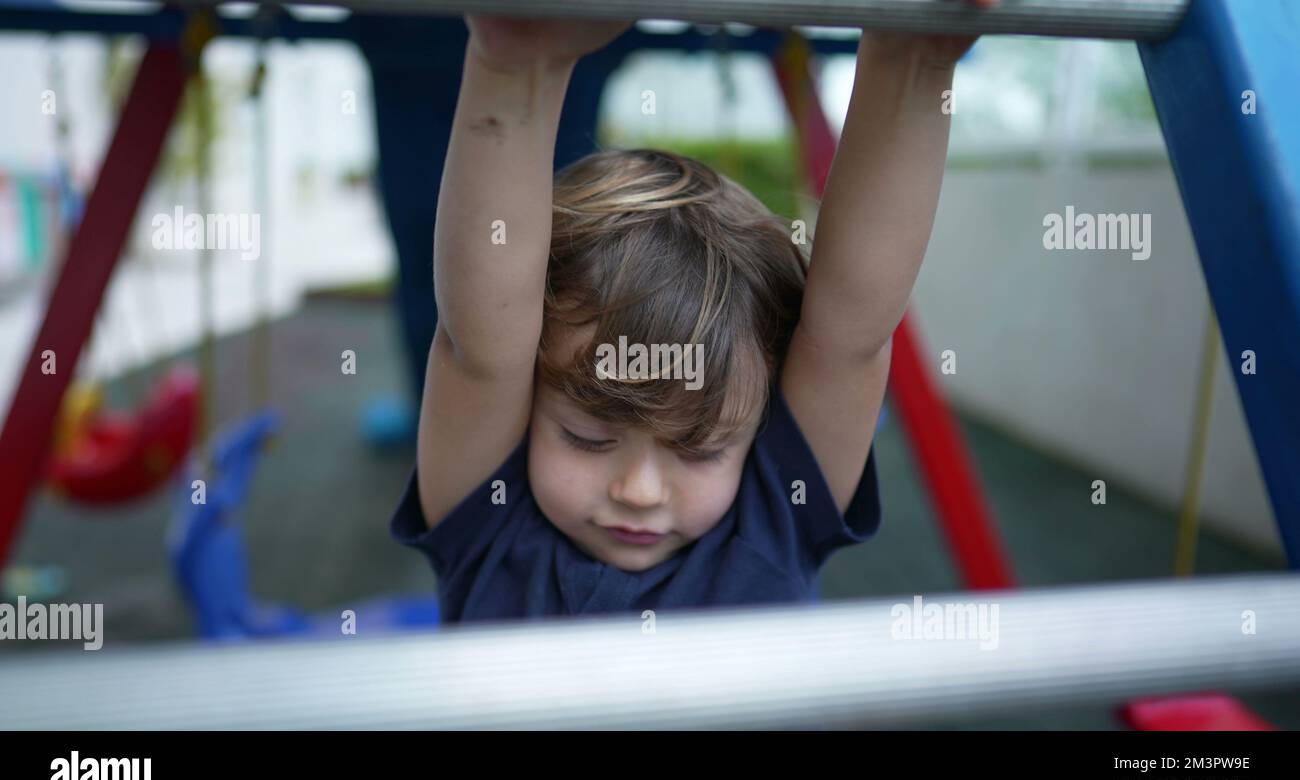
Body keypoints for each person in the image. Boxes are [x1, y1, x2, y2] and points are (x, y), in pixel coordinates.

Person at [391, 4, 995, 622]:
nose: (639, 492)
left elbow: (852, 333)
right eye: (586, 438)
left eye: (701, 451)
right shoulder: (492, 521)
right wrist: (513, 65)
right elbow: (483, 341)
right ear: (529, 406)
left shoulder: (777, 517)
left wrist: (913, 61)